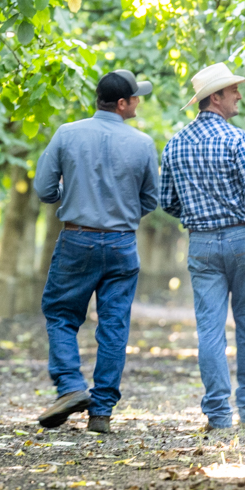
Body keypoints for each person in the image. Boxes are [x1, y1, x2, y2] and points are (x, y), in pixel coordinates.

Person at [34, 69, 159, 434]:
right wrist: (121, 212)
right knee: (114, 325)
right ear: (122, 104)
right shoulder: (143, 144)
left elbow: (44, 189)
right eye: (136, 97)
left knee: (60, 314)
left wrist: (70, 197)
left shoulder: (67, 134)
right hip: (122, 245)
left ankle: (71, 386)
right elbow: (151, 198)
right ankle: (101, 412)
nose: (138, 102)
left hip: (77, 239)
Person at [159, 63, 245, 431]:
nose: (239, 95)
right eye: (233, 90)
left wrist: (197, 215)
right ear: (216, 97)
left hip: (201, 243)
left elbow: (168, 202)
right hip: (242, 239)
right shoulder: (237, 139)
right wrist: (241, 212)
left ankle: (218, 415)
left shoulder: (175, 144)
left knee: (209, 328)